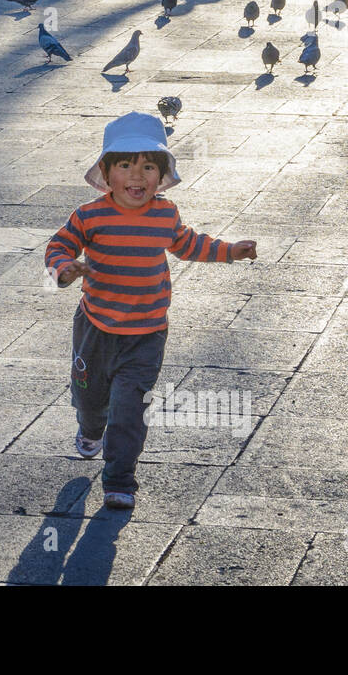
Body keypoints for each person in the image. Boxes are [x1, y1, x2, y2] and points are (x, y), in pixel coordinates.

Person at [47, 113, 256, 509]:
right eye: (125, 165)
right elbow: (59, 246)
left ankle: (120, 479)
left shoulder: (165, 214)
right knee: (90, 399)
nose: (137, 175)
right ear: (106, 174)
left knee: (130, 408)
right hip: (96, 328)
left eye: (148, 166)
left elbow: (188, 244)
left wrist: (229, 251)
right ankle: (90, 427)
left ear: (161, 175)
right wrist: (65, 268)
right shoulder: (90, 215)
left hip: (147, 333)